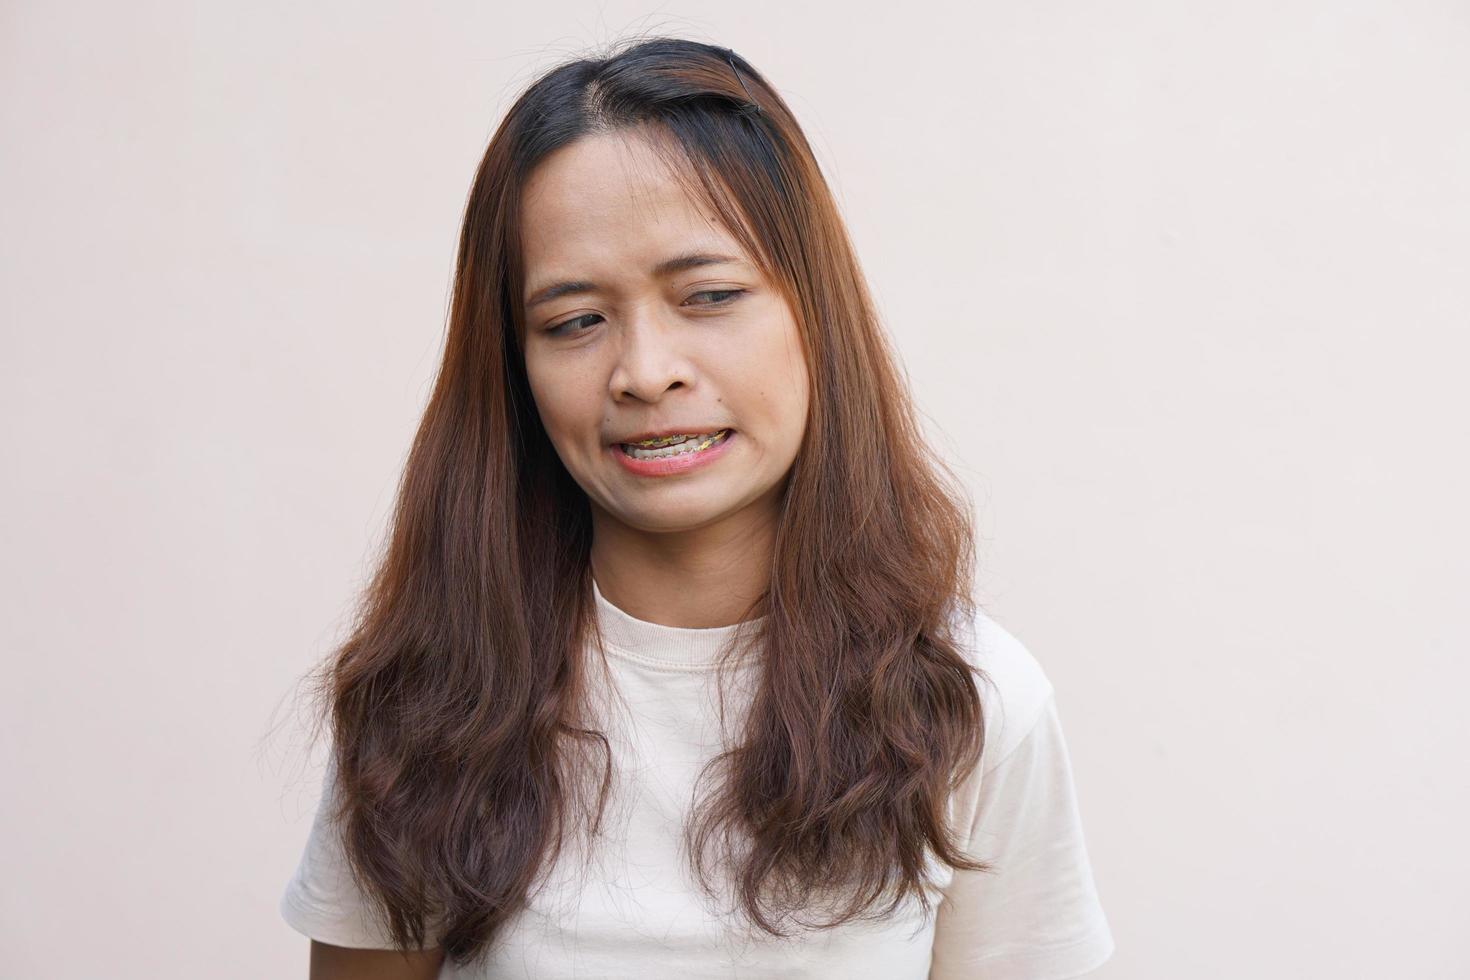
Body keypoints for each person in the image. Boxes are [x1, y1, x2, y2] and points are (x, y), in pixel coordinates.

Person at [279, 36, 1115, 980]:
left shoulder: (975, 702)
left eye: (709, 295)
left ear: (815, 314)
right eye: (574, 321)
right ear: (514, 366)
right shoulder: (430, 698)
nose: (644, 372)